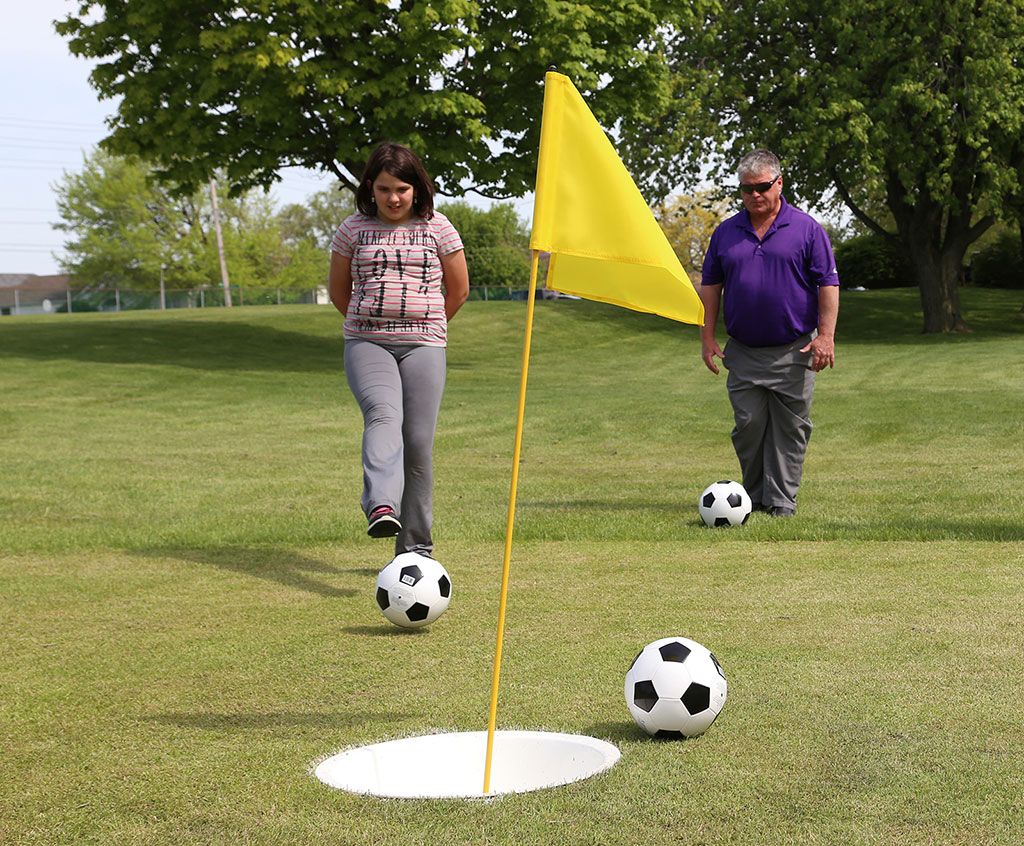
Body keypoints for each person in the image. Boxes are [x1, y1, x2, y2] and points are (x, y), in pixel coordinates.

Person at [329, 142, 469, 555]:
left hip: (424, 344)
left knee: (419, 443)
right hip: (368, 342)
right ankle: (381, 505)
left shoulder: (438, 227)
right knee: (383, 414)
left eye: (402, 189)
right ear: (370, 188)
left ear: (417, 189)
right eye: (385, 189)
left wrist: (424, 323)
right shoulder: (353, 228)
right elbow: (339, 291)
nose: (394, 198)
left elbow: (458, 291)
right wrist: (371, 319)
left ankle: (416, 551)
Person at [699, 149, 839, 517]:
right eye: (746, 190)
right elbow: (710, 285)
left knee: (790, 429)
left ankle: (781, 502)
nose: (754, 195)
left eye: (762, 187)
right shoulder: (726, 233)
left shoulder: (807, 230)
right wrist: (707, 335)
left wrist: (826, 336)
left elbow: (828, 283)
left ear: (779, 183)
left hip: (794, 349)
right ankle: (753, 496)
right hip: (743, 350)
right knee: (748, 425)